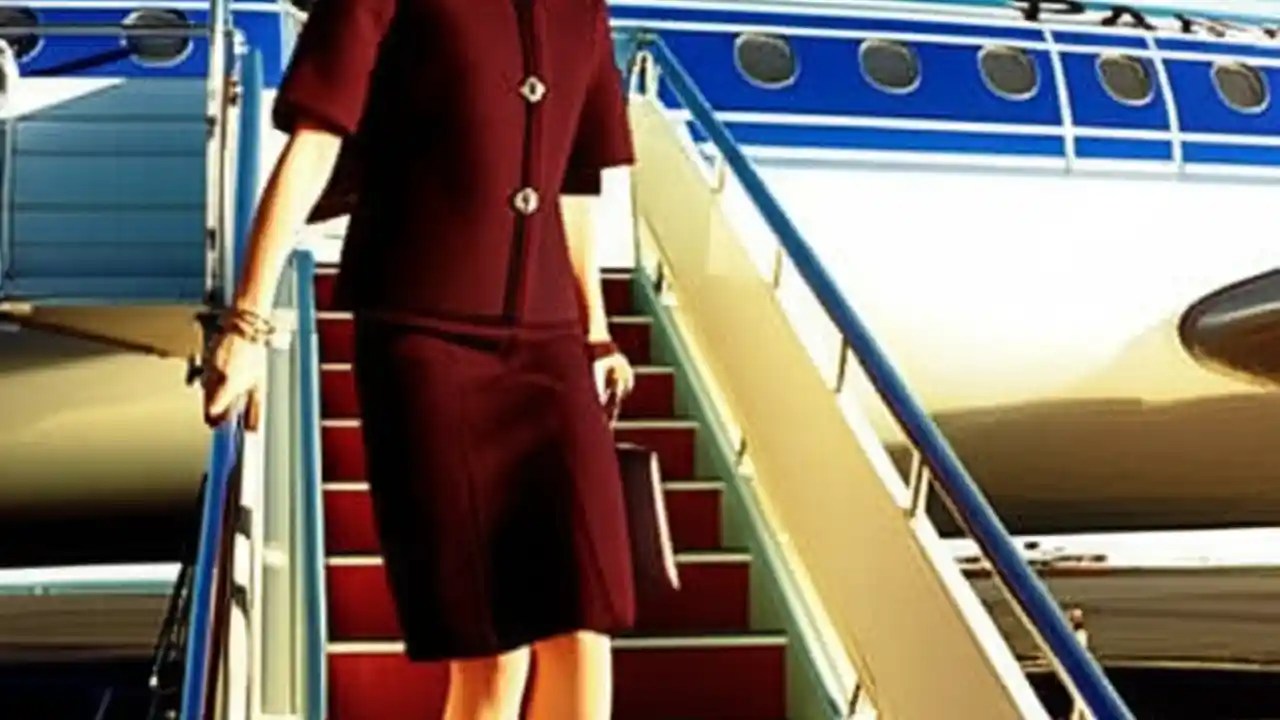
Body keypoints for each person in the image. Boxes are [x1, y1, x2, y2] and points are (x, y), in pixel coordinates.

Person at [202, 0, 640, 717]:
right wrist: (247, 323)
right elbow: (314, 144)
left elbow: (577, 181)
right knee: (491, 650)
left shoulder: (581, 10)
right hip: (426, 343)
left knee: (586, 621)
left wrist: (595, 330)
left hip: (552, 345)